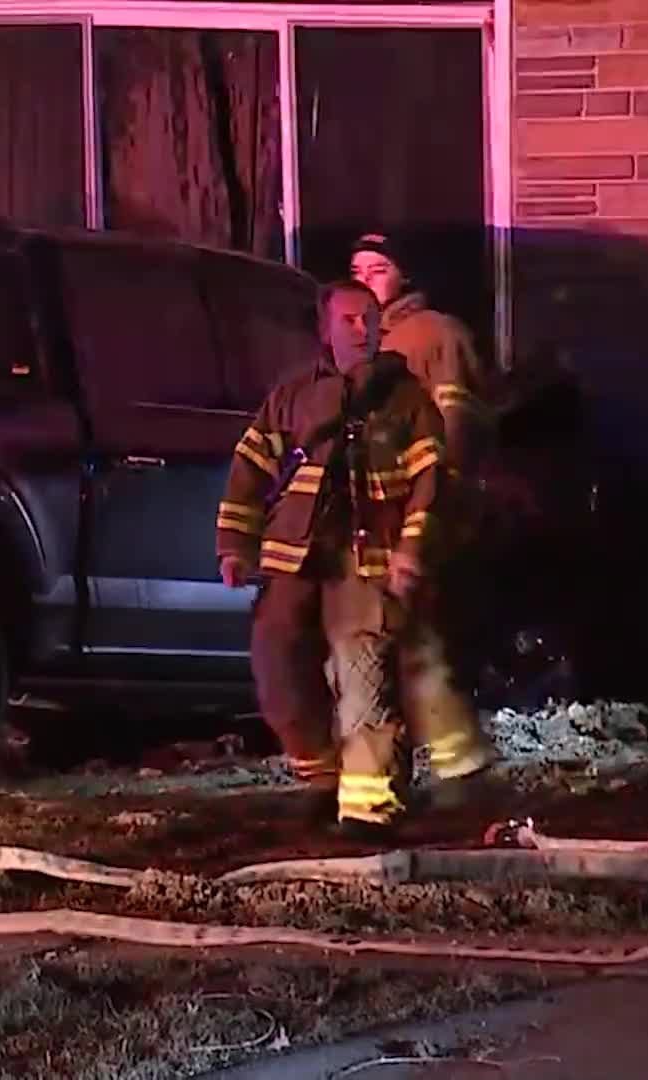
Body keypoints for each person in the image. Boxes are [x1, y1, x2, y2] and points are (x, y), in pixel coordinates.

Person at [217, 281, 445, 840]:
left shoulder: (405, 397)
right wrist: (234, 546)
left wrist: (412, 548)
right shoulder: (294, 395)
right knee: (279, 671)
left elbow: (432, 482)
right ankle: (323, 777)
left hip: (366, 561)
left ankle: (370, 807)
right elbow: (250, 469)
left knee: (362, 673)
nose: (363, 331)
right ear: (324, 329)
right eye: (349, 321)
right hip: (295, 560)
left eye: (370, 319)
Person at [348, 233, 498, 802]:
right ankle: (443, 772)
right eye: (356, 269)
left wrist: (434, 505)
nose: (365, 280)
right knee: (394, 647)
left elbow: (458, 428)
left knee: (405, 644)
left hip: (419, 515)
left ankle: (454, 776)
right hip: (371, 519)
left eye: (378, 268)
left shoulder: (436, 335)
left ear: (404, 276)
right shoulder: (359, 343)